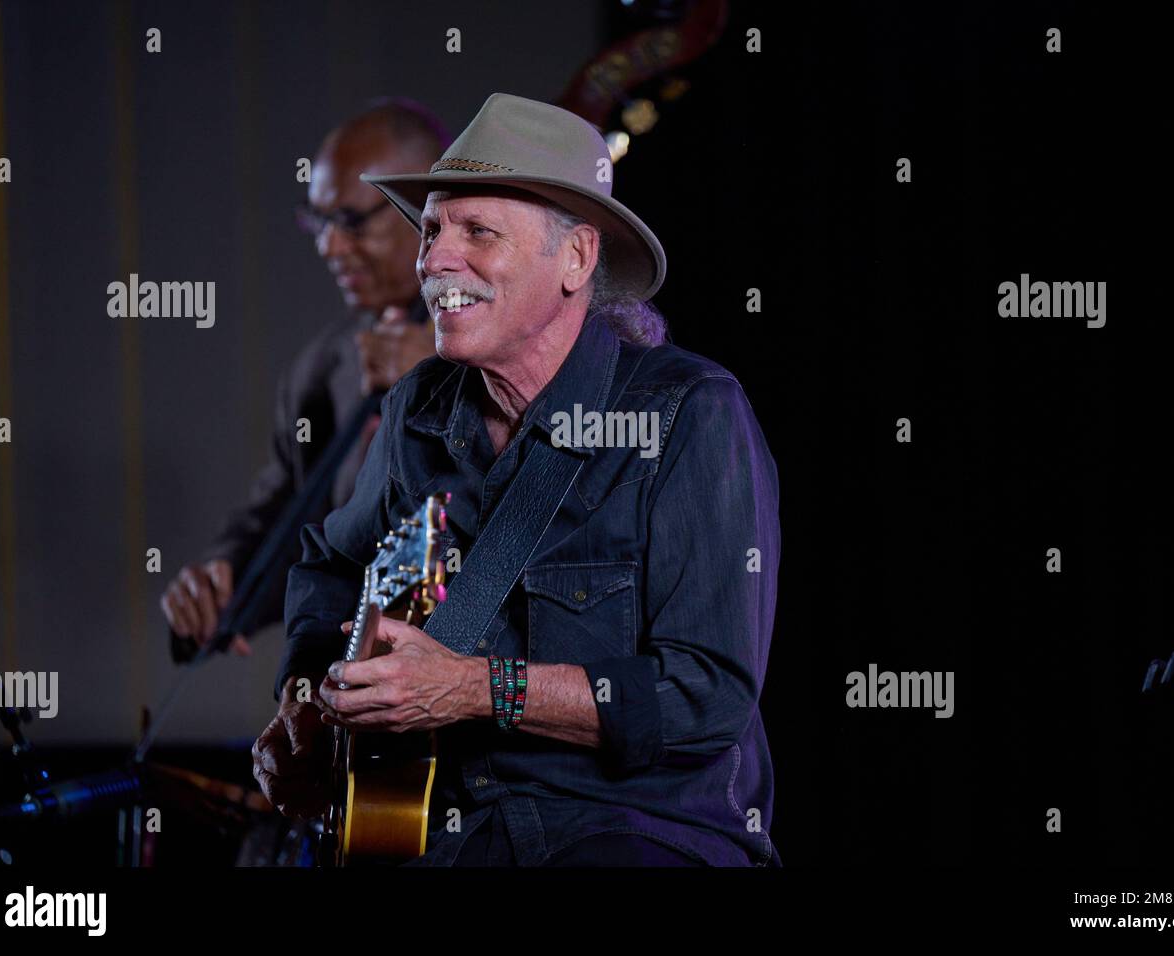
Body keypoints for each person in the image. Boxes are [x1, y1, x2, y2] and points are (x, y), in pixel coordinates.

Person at [253, 93, 780, 866]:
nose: (431, 260)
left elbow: (704, 697)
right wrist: (301, 699)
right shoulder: (417, 412)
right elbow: (331, 564)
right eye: (431, 230)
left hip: (634, 830)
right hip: (446, 831)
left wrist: (474, 688)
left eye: (477, 232)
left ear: (576, 259)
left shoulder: (690, 415)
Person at [160, 100, 443, 656]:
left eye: (352, 220)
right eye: (319, 221)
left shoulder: (501, 343)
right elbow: (287, 511)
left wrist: (440, 373)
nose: (328, 246)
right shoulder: (322, 368)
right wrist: (222, 580)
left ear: (426, 204)